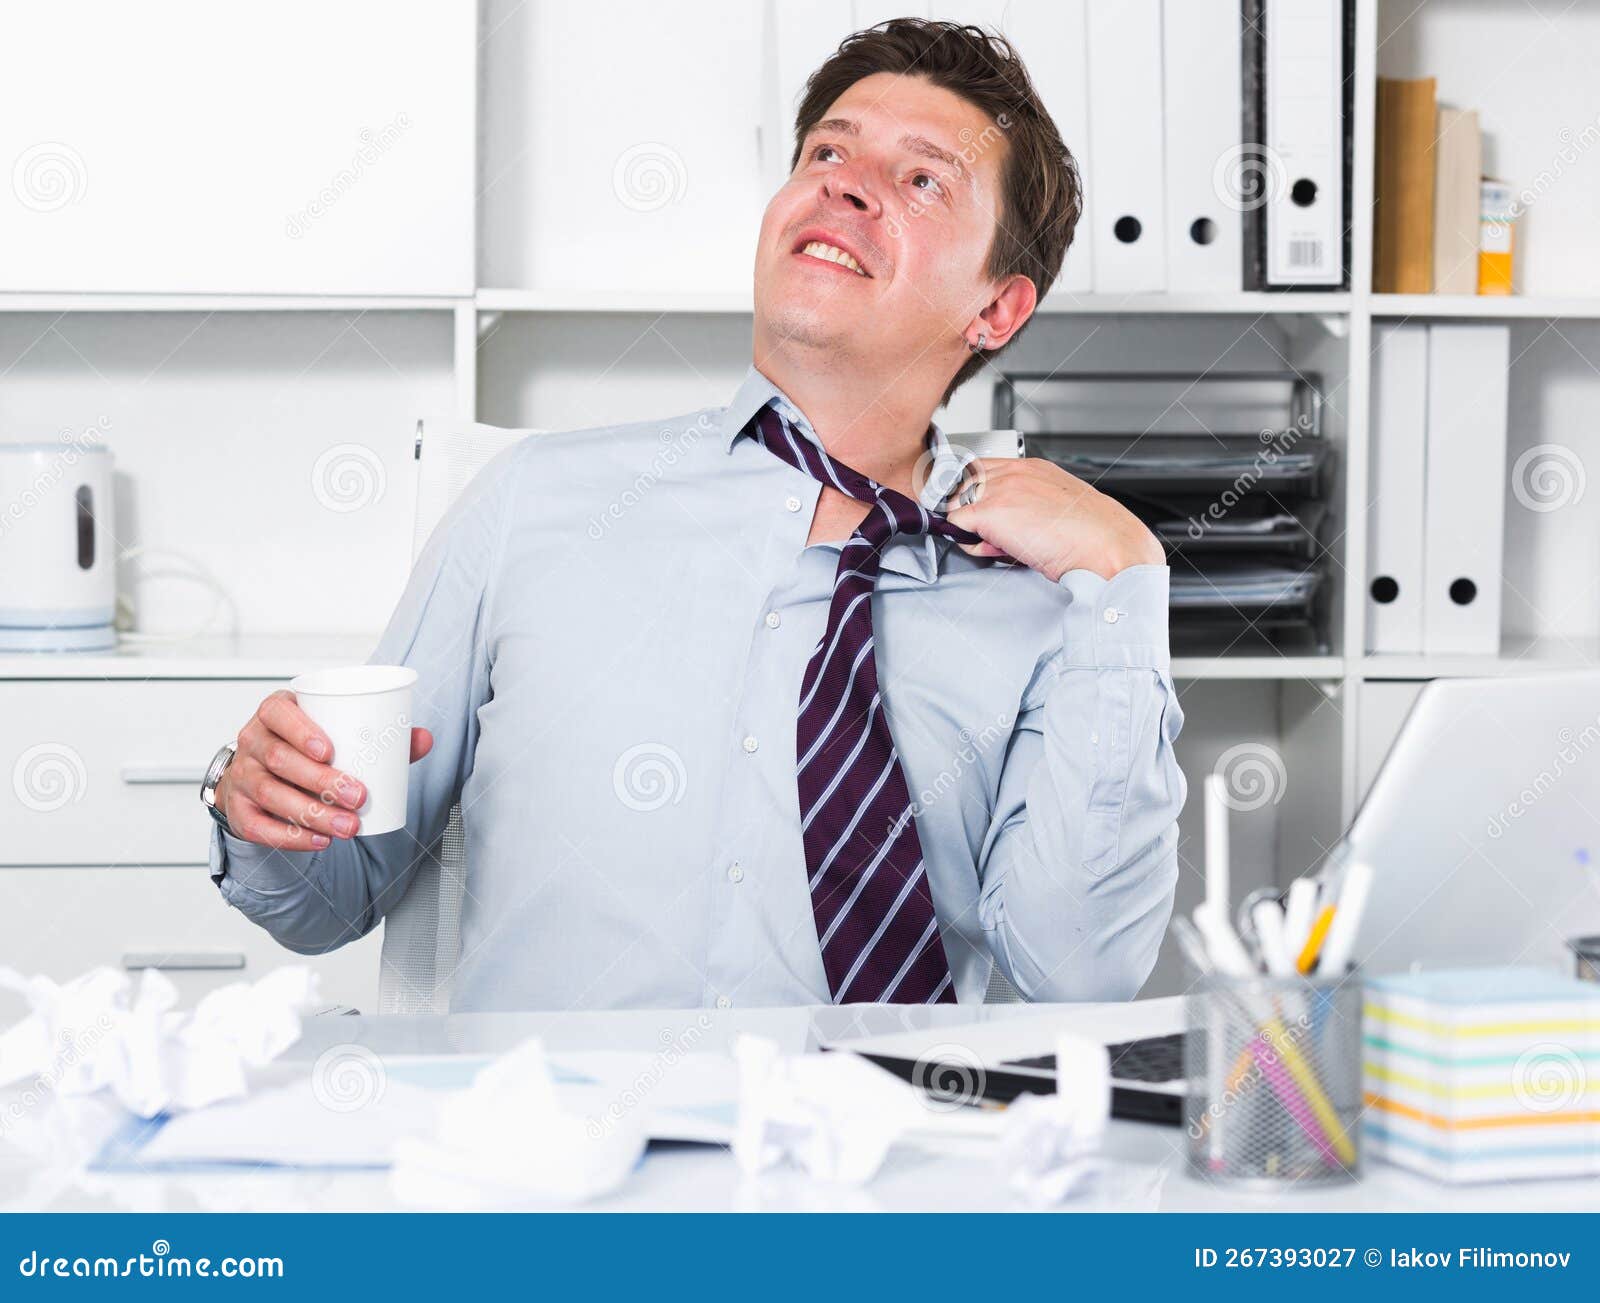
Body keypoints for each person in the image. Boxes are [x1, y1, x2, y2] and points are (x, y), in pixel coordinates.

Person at [201, 19, 1185, 1010]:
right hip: (558, 1147)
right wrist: (263, 811)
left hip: (890, 1150)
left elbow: (1077, 972)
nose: (842, 182)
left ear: (997, 310)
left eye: (922, 179)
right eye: (826, 152)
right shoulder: (530, 503)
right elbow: (324, 902)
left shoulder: (1060, 603)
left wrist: (1128, 575)